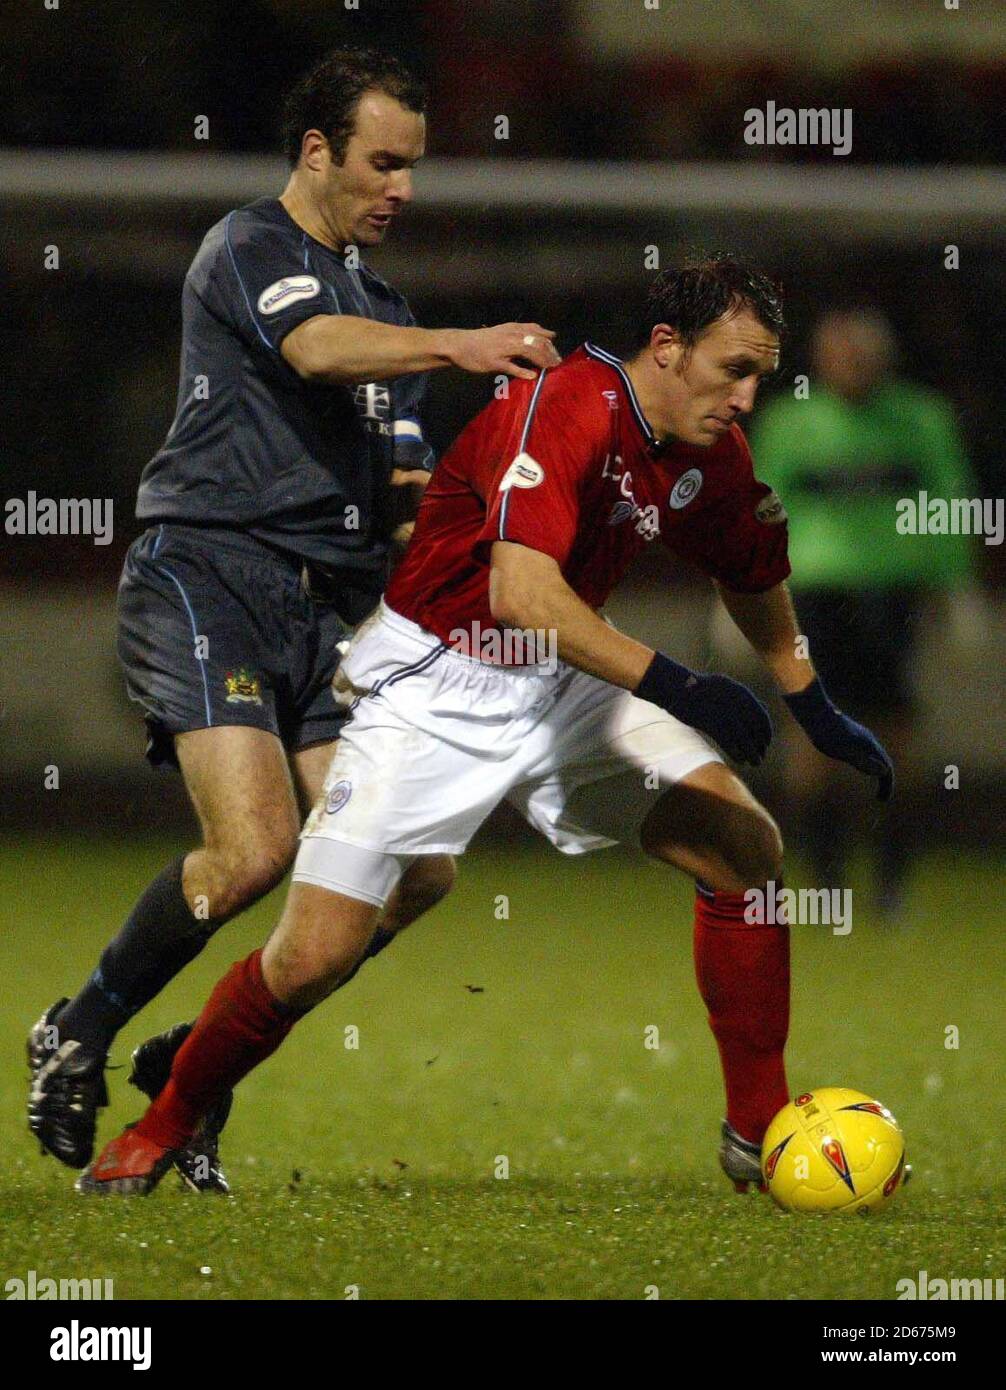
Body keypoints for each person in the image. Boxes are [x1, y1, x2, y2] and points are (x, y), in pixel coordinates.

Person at [76, 258, 893, 1197]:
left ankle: (761, 1133)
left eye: (762, 375)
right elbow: (520, 590)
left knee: (745, 848)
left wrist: (809, 700)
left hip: (561, 675)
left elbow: (751, 570)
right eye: (735, 369)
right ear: (667, 348)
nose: (749, 397)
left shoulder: (712, 451)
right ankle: (163, 1123)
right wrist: (680, 684)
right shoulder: (569, 406)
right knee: (312, 957)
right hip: (434, 681)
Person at [27, 45, 560, 1192]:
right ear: (316, 152)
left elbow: (406, 491)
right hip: (208, 570)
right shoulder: (251, 248)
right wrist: (467, 345)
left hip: (331, 608)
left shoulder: (390, 309)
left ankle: (197, 1063)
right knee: (258, 850)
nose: (401, 189)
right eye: (382, 162)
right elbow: (315, 351)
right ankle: (79, 1026)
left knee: (416, 871)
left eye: (412, 167)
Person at [749, 309, 975, 915]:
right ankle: (826, 885)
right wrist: (744, 587)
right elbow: (761, 506)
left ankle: (891, 887)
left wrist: (957, 588)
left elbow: (949, 500)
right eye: (839, 354)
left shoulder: (920, 417)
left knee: (896, 737)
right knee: (813, 739)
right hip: (814, 596)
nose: (852, 366)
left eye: (864, 355)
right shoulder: (792, 422)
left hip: (893, 593)